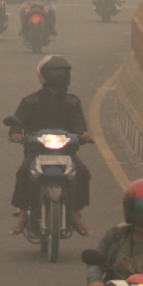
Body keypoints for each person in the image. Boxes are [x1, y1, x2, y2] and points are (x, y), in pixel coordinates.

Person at [10, 55, 93, 236]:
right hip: (36, 150)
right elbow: (17, 122)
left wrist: (84, 135)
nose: (60, 78)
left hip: (66, 152)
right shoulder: (30, 101)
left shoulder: (72, 101)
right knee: (23, 171)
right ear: (45, 76)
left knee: (84, 172)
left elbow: (80, 126)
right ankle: (23, 215)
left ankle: (75, 213)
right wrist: (16, 133)